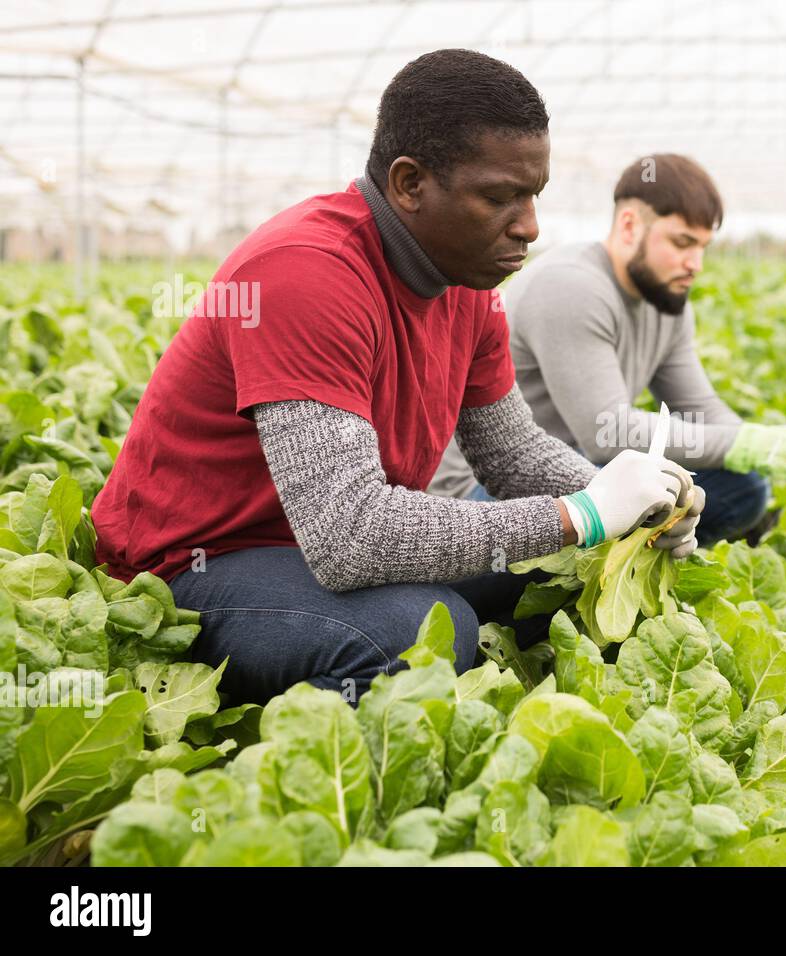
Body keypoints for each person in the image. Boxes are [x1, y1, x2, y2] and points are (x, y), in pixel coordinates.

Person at [90, 50, 702, 706]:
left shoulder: (468, 280)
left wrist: (633, 500)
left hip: (312, 549)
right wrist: (581, 514)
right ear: (410, 184)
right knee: (414, 632)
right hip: (193, 568)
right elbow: (349, 538)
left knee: (543, 569)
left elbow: (513, 456)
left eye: (533, 196)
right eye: (499, 197)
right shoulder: (306, 274)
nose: (529, 225)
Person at [430, 153, 786, 544]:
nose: (695, 263)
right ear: (629, 227)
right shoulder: (571, 285)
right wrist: (746, 445)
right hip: (492, 490)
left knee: (743, 485)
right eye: (682, 243)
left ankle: (645, 569)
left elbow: (701, 408)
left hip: (581, 473)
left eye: (702, 246)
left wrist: (774, 443)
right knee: (643, 483)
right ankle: (553, 591)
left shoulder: (666, 301)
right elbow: (606, 430)